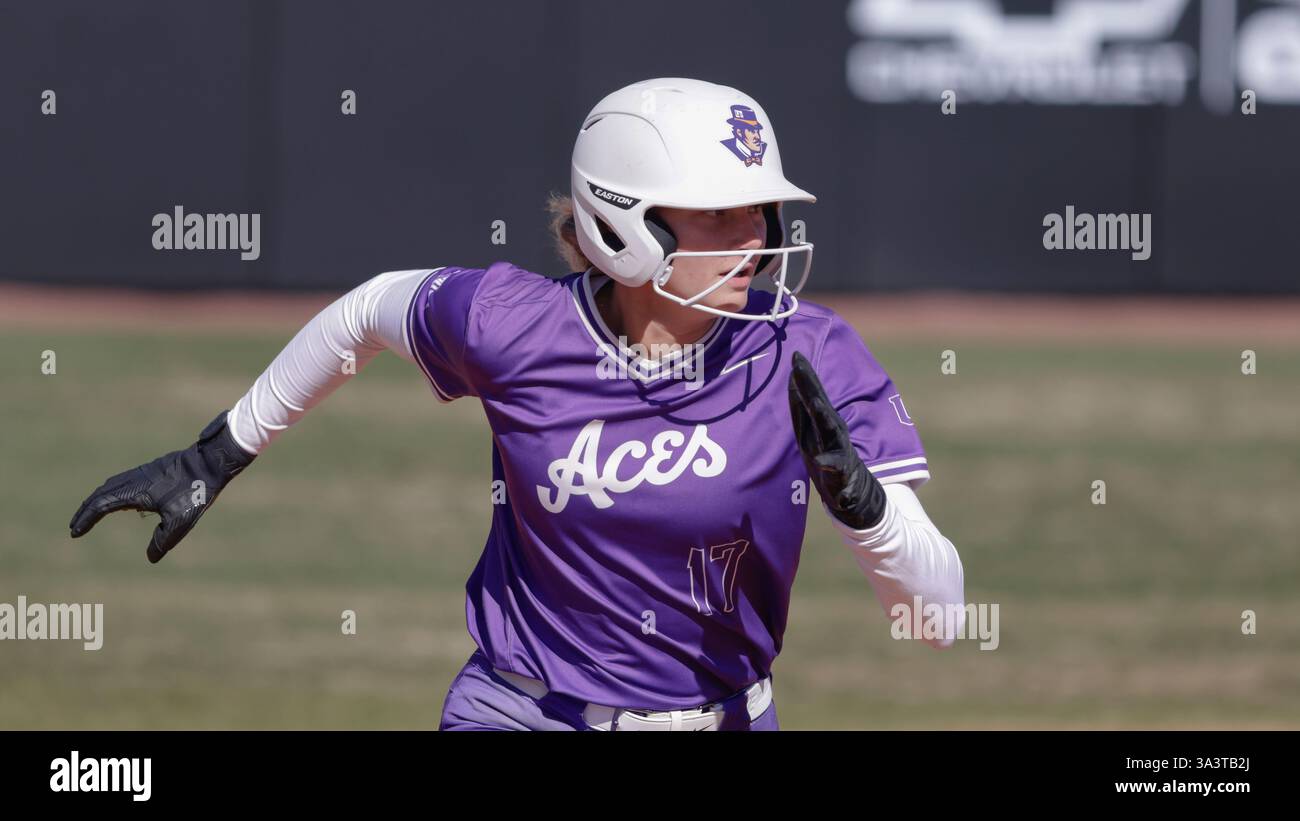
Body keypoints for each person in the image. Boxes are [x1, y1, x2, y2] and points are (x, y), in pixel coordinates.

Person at [69, 77, 965, 731]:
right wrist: (213, 454)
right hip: (519, 714)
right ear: (630, 225)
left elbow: (941, 620)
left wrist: (869, 510)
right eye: (719, 215)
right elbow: (366, 310)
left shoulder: (806, 351)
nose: (758, 238)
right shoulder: (512, 323)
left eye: (760, 211)